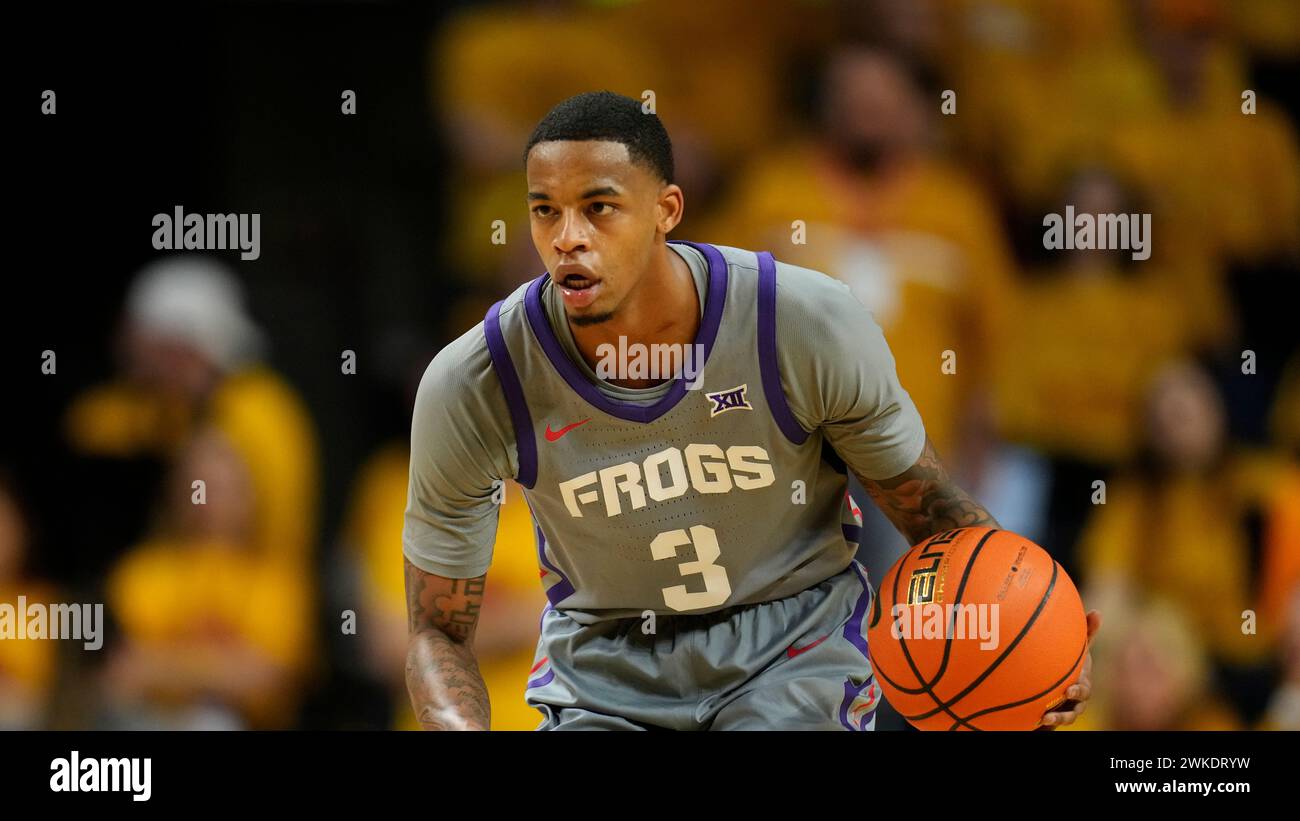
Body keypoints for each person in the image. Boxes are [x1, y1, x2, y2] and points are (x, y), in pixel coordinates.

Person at [403, 91, 1099, 730]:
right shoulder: (476, 380)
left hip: (792, 659)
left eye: (599, 207)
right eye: (545, 210)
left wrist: (1040, 637)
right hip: (605, 675)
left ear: (666, 210)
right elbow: (437, 629)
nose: (568, 237)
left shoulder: (800, 323)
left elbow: (936, 517)